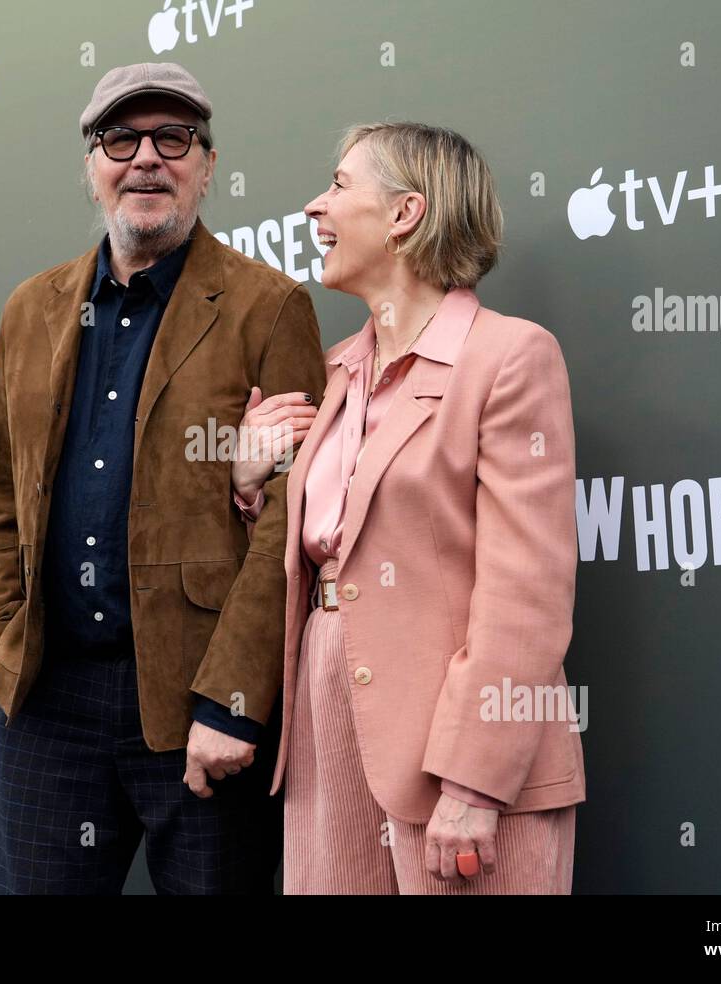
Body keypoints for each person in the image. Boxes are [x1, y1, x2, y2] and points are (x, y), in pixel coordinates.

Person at [0, 62, 326, 894]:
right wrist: (5, 629)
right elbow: (2, 488)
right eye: (121, 139)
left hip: (198, 704)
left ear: (207, 165)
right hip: (47, 701)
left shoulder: (268, 306)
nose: (146, 159)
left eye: (173, 139)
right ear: (91, 167)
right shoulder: (31, 308)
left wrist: (234, 697)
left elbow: (287, 515)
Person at [232, 121, 585, 893]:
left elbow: (526, 593)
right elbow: (329, 546)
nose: (312, 207)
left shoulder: (510, 357)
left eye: (339, 186)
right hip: (327, 733)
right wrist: (250, 482)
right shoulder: (332, 373)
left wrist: (474, 783)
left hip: (460, 751)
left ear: (405, 215)